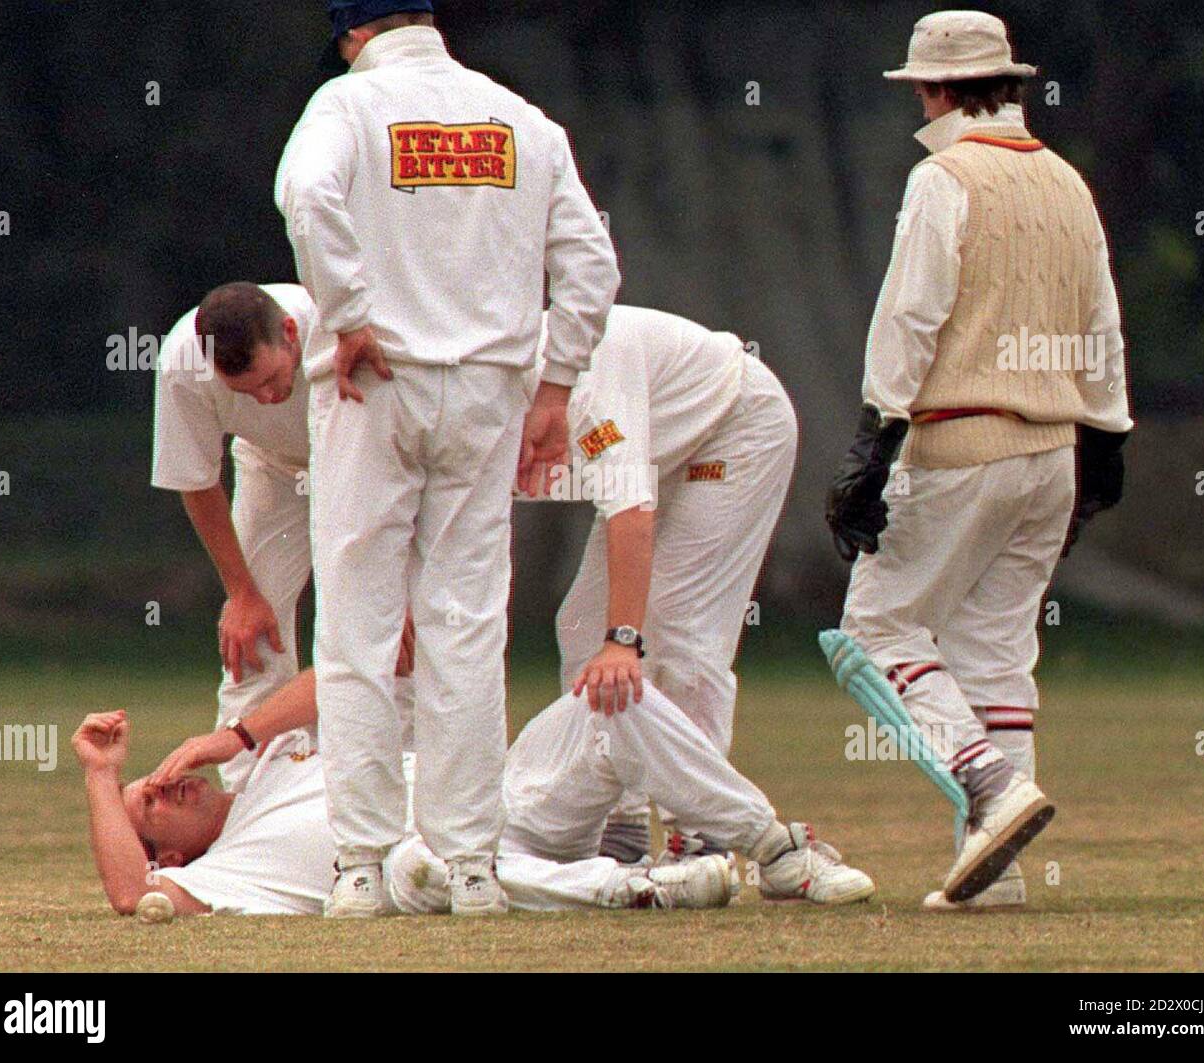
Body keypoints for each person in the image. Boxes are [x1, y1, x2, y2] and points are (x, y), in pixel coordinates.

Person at [274, 1, 620, 917]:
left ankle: (360, 863)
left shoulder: (347, 108)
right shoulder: (522, 120)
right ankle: (471, 867)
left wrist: (346, 314)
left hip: (372, 383)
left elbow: (307, 198)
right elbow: (591, 264)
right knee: (467, 623)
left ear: (353, 37)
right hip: (488, 389)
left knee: (356, 619)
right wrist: (556, 389)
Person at [826, 11, 1131, 908]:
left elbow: (911, 318)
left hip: (961, 439)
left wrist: (872, 442)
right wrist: (1107, 445)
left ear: (931, 88)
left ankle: (989, 788)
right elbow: (1102, 322)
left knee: (875, 635)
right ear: (1009, 83)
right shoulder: (1069, 182)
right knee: (995, 652)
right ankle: (995, 873)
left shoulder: (941, 178)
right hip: (1054, 447)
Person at [72, 669, 874, 917]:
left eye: (161, 773)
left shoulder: (267, 758)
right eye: (156, 798)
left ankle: (775, 851)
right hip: (451, 870)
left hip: (506, 799)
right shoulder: (213, 879)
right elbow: (124, 891)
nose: (170, 779)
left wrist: (231, 735)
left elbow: (349, 666)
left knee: (611, 693)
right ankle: (635, 889)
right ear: (170, 851)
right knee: (413, 868)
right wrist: (106, 775)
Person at [522, 304, 799, 864]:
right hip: (664, 447)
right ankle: (616, 826)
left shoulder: (584, 389)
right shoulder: (476, 401)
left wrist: (624, 640)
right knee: (579, 626)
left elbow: (631, 514)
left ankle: (701, 832)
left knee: (677, 627)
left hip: (736, 425)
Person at [151, 282, 318, 791]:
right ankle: (252, 808)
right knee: (253, 641)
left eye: (271, 379)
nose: (267, 399)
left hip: (365, 468)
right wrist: (242, 593)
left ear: (290, 334)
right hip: (273, 467)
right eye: (246, 392)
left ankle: (406, 814)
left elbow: (400, 453)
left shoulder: (336, 325)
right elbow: (198, 481)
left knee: (391, 640)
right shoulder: (183, 365)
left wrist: (392, 588)